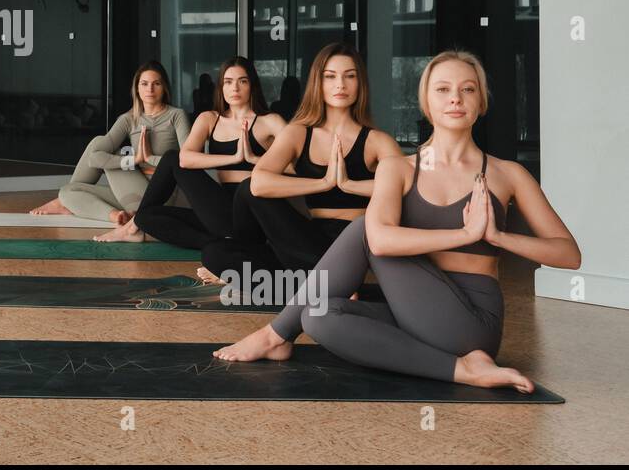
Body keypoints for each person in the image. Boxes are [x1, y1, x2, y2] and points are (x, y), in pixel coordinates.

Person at [214, 50, 582, 393]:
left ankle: (275, 335)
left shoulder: (508, 174)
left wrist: (497, 236)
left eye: (467, 89)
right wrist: (465, 233)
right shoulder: (399, 168)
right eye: (443, 89)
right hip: (411, 309)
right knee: (318, 316)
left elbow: (568, 255)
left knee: (364, 229)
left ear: (481, 102)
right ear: (427, 102)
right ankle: (461, 368)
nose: (455, 98)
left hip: (470, 319)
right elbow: (382, 243)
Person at [200, 43, 401, 283]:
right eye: (330, 77)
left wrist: (349, 185)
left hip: (353, 241)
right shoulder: (298, 133)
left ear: (360, 84)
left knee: (241, 267)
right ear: (318, 82)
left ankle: (313, 287)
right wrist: (324, 182)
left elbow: (408, 189)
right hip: (307, 240)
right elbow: (259, 183)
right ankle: (318, 289)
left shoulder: (377, 141)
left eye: (350, 76)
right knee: (215, 253)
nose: (340, 85)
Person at [96, 56, 286, 246]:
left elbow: (295, 169)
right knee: (146, 216)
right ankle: (222, 243)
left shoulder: (271, 121)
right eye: (228, 82)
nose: (234, 88)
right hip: (222, 208)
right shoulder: (210, 119)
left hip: (253, 211)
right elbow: (185, 159)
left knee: (170, 162)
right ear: (221, 87)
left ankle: (131, 228)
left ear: (252, 85)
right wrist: (233, 157)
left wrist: (253, 159)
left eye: (242, 81)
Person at [31, 61, 190, 223]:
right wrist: (134, 160)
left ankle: (69, 205)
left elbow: (187, 160)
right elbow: (94, 158)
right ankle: (115, 215)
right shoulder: (129, 118)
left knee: (115, 153)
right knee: (67, 190)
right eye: (144, 84)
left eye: (156, 84)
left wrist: (149, 158)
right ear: (137, 88)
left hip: (160, 193)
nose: (149, 89)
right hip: (130, 191)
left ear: (164, 88)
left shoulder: (176, 115)